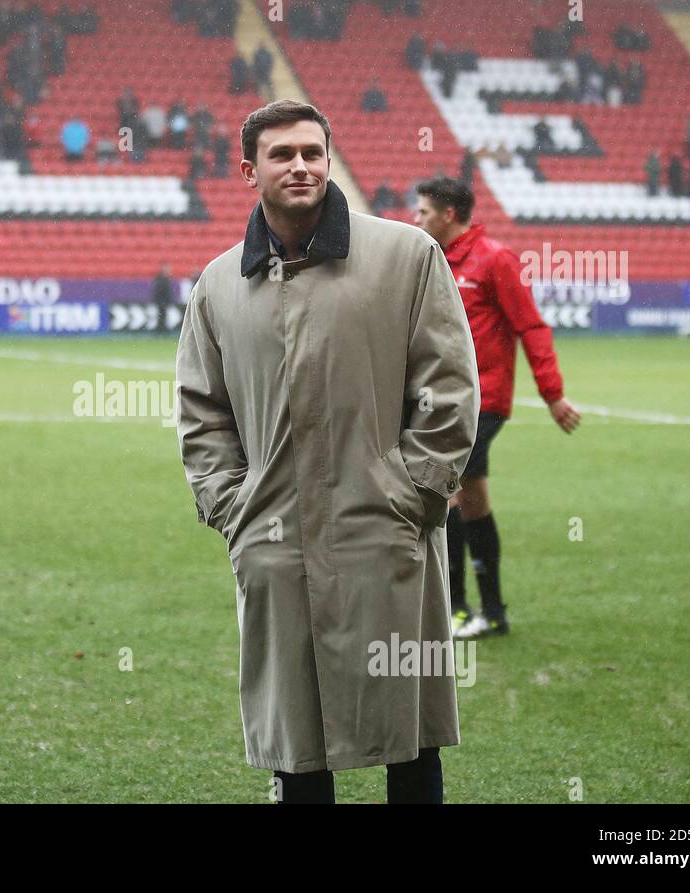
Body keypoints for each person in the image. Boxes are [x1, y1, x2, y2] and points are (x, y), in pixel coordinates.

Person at [176, 101, 479, 805]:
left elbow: (449, 386)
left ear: (330, 159)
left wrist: (414, 494)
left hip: (387, 531)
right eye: (282, 154)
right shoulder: (219, 284)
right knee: (297, 745)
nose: (302, 165)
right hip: (274, 542)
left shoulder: (406, 256)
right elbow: (202, 411)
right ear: (250, 170)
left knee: (410, 736)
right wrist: (235, 509)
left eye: (313, 151)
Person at [413, 177, 580, 640]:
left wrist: (552, 394)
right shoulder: (430, 261)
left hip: (482, 400)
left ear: (448, 214)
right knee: (472, 499)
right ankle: (491, 613)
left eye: (424, 211)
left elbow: (531, 325)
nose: (416, 218)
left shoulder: (493, 259)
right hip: (440, 401)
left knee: (443, 492)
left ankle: (458, 611)